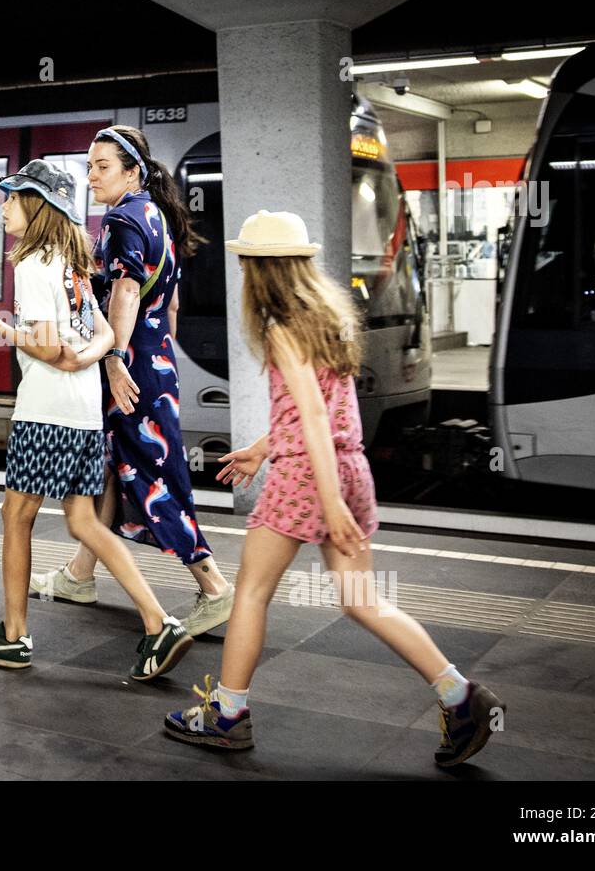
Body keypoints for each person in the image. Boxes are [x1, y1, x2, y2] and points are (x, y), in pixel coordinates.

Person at [163, 210, 505, 767]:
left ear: (259, 268)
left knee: (249, 593)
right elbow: (319, 411)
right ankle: (461, 696)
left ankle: (227, 714)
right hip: (349, 467)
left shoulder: (280, 325)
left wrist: (323, 500)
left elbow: (315, 421)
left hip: (309, 478)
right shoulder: (325, 315)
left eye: (246, 263)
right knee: (360, 598)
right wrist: (263, 447)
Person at [0, 160, 191, 679]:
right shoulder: (74, 263)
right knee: (84, 521)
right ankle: (159, 622)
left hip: (45, 413)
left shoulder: (33, 264)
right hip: (84, 414)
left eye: (12, 198)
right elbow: (106, 335)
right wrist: (82, 359)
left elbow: (45, 345)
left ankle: (14, 638)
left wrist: (1, 326)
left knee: (15, 518)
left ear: (36, 206)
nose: (4, 208)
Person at [31, 126, 235, 637]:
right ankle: (80, 573)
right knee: (114, 463)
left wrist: (116, 360)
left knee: (149, 471)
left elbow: (123, 294)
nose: (91, 174)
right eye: (90, 165)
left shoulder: (122, 218)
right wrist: (154, 358)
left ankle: (214, 586)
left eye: (102, 165)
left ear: (131, 171)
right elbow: (170, 304)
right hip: (156, 359)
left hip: (127, 361)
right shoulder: (158, 218)